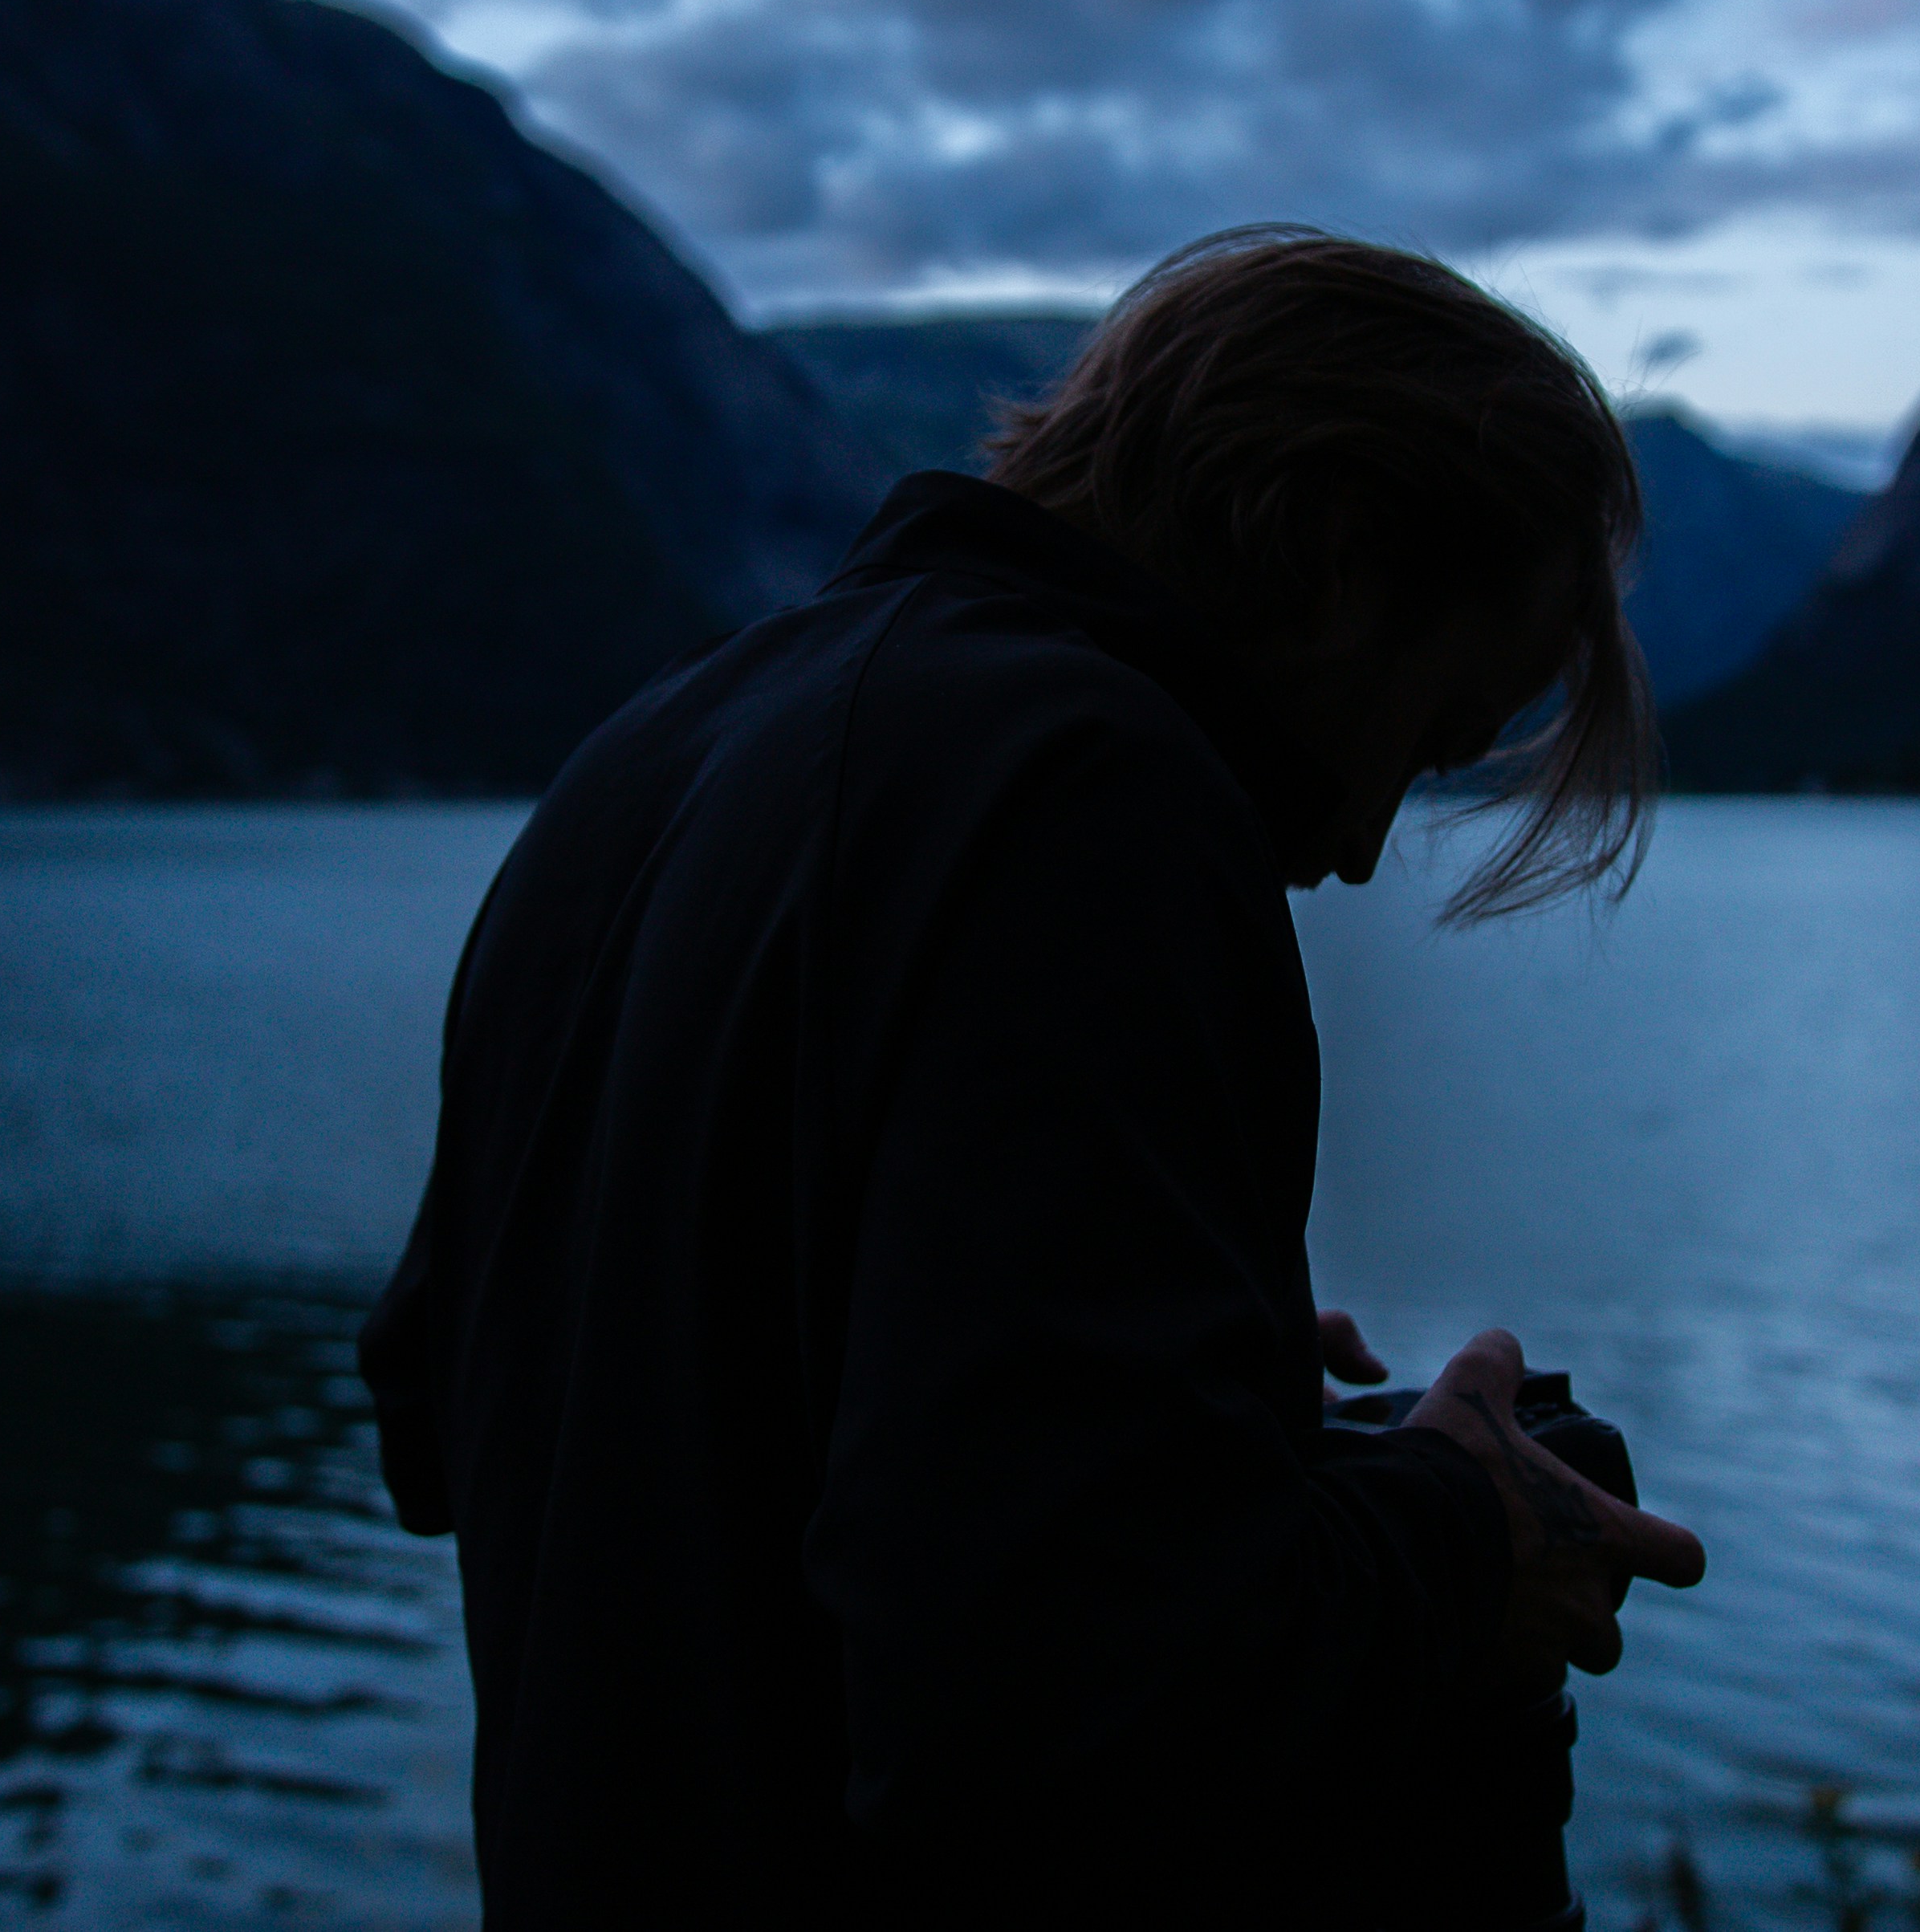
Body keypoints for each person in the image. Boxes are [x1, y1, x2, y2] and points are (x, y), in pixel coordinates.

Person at [359, 226, 1706, 1930]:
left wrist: (1081, 1344)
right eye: (1432, 734)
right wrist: (1461, 1520)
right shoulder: (1093, 791)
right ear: (1334, 554)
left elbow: (446, 1417)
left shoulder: (640, 764)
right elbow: (1070, 1706)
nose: (1362, 851)